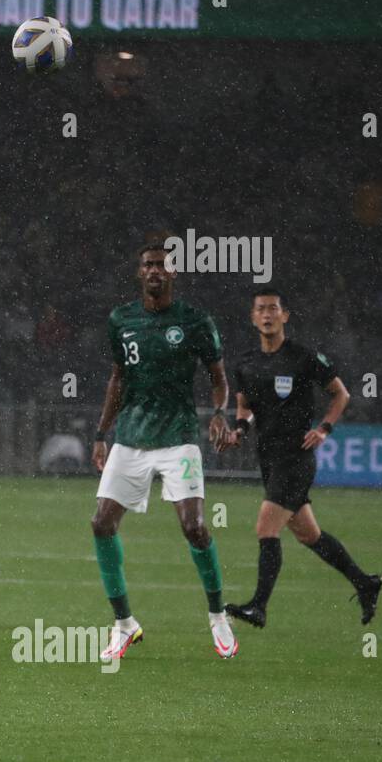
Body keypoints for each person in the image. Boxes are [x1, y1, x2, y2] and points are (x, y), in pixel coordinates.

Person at [90, 242, 236, 659]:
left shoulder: (194, 321)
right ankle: (124, 625)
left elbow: (218, 376)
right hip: (131, 437)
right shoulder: (121, 320)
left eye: (162, 265)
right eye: (148, 264)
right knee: (101, 523)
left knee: (194, 526)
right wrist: (102, 432)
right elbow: (117, 378)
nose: (155, 270)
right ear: (140, 273)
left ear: (174, 273)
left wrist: (220, 412)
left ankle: (217, 616)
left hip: (178, 437)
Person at [223, 289, 382, 627]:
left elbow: (341, 393)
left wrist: (324, 428)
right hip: (268, 458)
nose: (267, 314)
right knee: (309, 535)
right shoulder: (246, 363)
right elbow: (245, 407)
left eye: (273, 308)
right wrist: (239, 429)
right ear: (253, 318)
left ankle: (259, 607)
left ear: (285, 316)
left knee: (266, 527)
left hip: (296, 458)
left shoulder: (303, 357)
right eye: (261, 309)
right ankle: (364, 582)